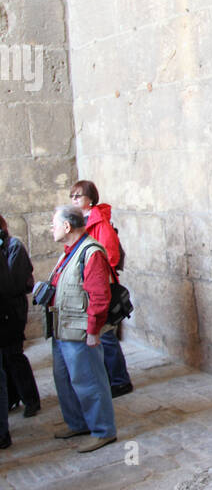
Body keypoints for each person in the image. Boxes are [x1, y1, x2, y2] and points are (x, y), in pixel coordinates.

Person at [46, 205, 117, 452]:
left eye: (54, 224)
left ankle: (103, 430)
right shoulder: (69, 252)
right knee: (65, 380)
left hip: (80, 330)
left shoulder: (91, 252)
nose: (51, 229)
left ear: (67, 226)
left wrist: (93, 330)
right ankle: (77, 422)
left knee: (90, 381)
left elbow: (99, 295)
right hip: (62, 328)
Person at [69, 181, 133, 398]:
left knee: (105, 334)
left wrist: (96, 276)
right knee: (98, 334)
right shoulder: (81, 222)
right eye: (72, 196)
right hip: (87, 285)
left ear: (90, 199)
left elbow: (111, 256)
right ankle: (110, 376)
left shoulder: (99, 223)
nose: (74, 200)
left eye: (78, 196)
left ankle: (120, 380)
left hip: (100, 285)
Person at [0, 215, 41, 419]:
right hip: (3, 310)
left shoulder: (14, 246)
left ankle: (31, 399)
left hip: (12, 311)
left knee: (14, 355)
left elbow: (12, 282)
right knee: (5, 358)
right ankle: (12, 396)